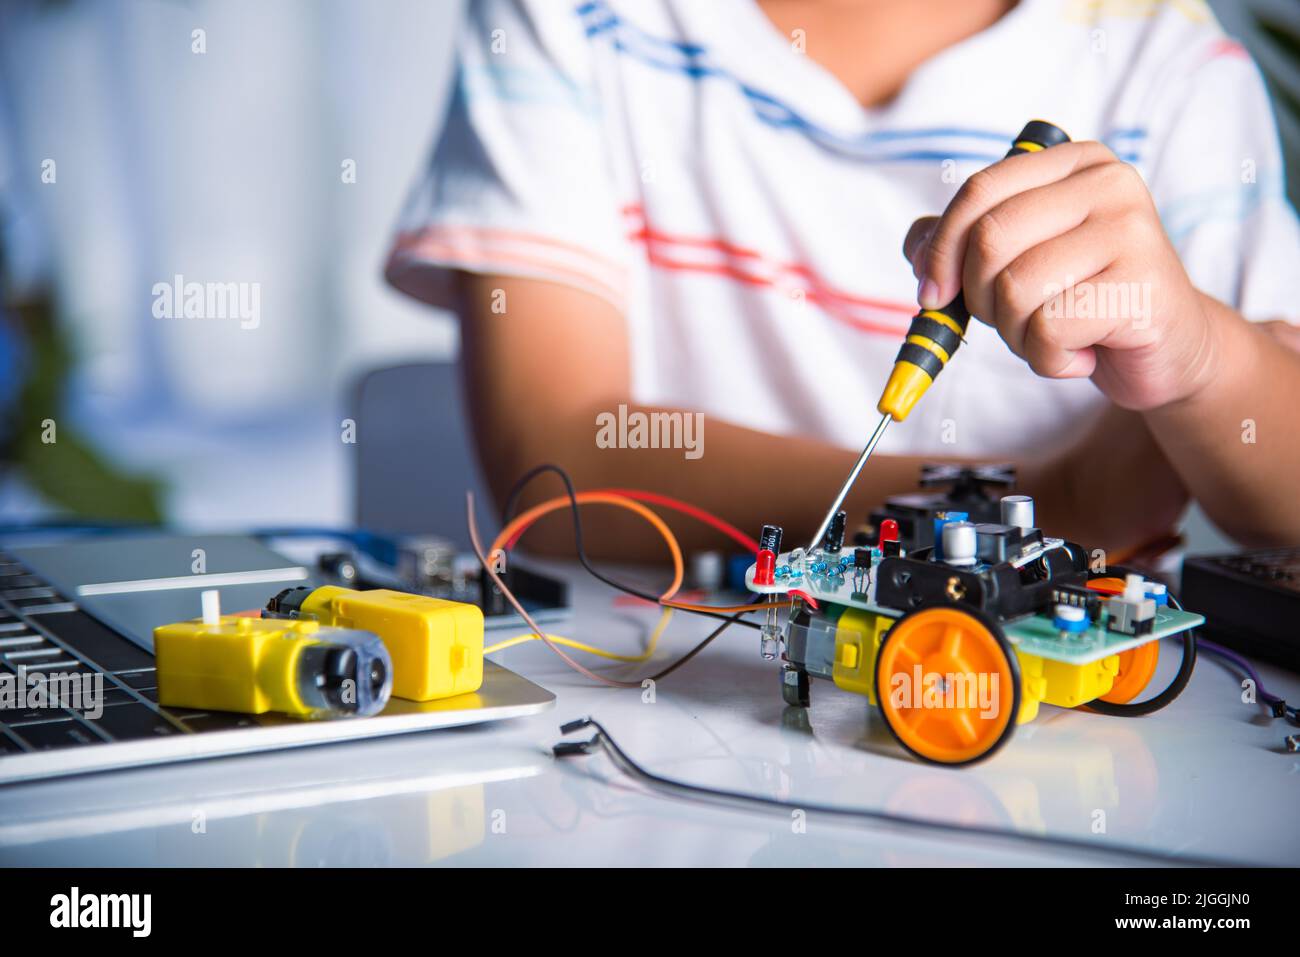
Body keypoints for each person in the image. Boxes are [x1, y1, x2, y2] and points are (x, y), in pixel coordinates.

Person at [386, 0, 1300, 558]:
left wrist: (1202, 357)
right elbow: (556, 474)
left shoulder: (1170, 68)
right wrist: (1048, 504)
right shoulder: (575, 14)